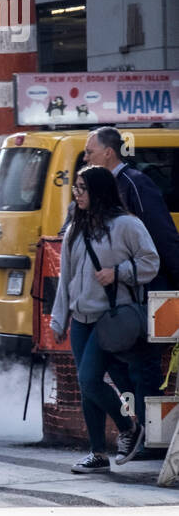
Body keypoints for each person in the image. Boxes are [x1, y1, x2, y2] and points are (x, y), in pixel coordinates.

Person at [50, 165, 158, 473]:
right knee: (88, 386)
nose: (77, 195)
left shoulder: (127, 225)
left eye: (82, 189)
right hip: (81, 319)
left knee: (88, 379)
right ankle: (97, 454)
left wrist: (118, 272)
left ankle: (128, 428)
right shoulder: (75, 227)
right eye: (76, 189)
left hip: (111, 318)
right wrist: (60, 319)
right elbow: (66, 277)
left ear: (99, 191)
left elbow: (151, 261)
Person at [85, 125, 179, 409]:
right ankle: (139, 427)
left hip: (149, 288)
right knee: (118, 361)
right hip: (119, 295)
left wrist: (174, 284)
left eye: (90, 152)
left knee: (144, 363)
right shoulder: (106, 187)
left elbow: (163, 235)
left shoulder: (135, 183)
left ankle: (149, 436)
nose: (86, 158)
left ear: (108, 153)